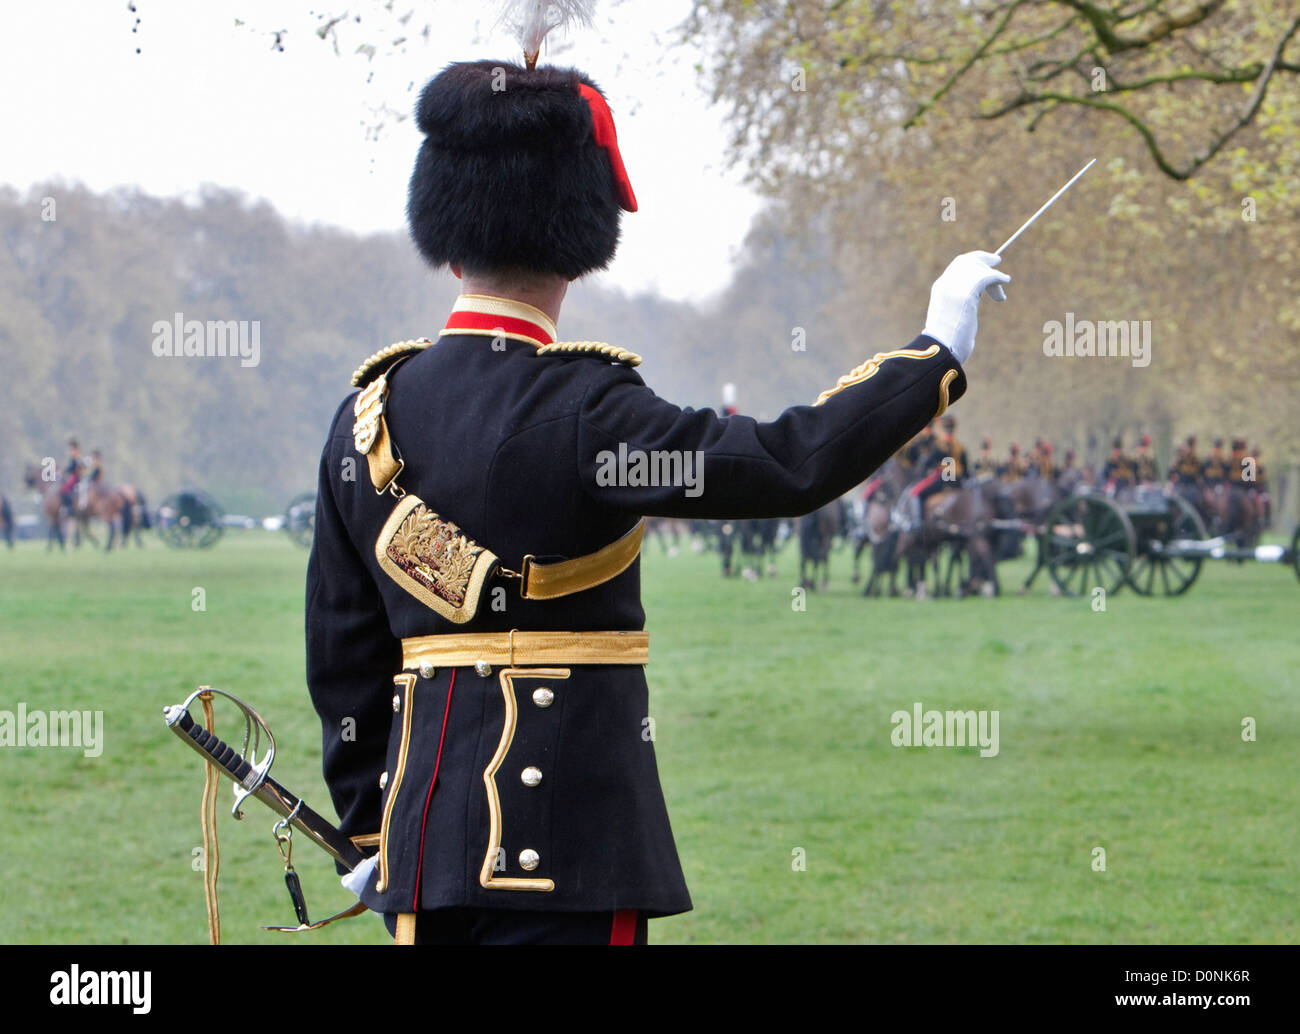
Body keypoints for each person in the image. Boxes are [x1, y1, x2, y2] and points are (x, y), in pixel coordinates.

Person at [304, 56, 1009, 946]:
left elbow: (344, 657)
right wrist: (934, 355)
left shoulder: (364, 419)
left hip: (422, 864)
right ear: (576, 245)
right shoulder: (588, 413)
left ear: (444, 238)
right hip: (572, 850)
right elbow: (786, 465)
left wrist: (369, 827)